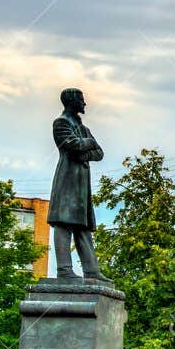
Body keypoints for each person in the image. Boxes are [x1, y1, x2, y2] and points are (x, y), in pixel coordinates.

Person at [50, 87, 106, 280]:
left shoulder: (83, 128)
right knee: (63, 223)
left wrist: (85, 147)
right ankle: (64, 270)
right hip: (67, 180)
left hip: (82, 184)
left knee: (83, 227)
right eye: (81, 100)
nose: (85, 103)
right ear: (71, 101)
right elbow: (73, 146)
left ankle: (92, 272)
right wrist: (87, 144)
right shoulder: (61, 123)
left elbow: (99, 154)